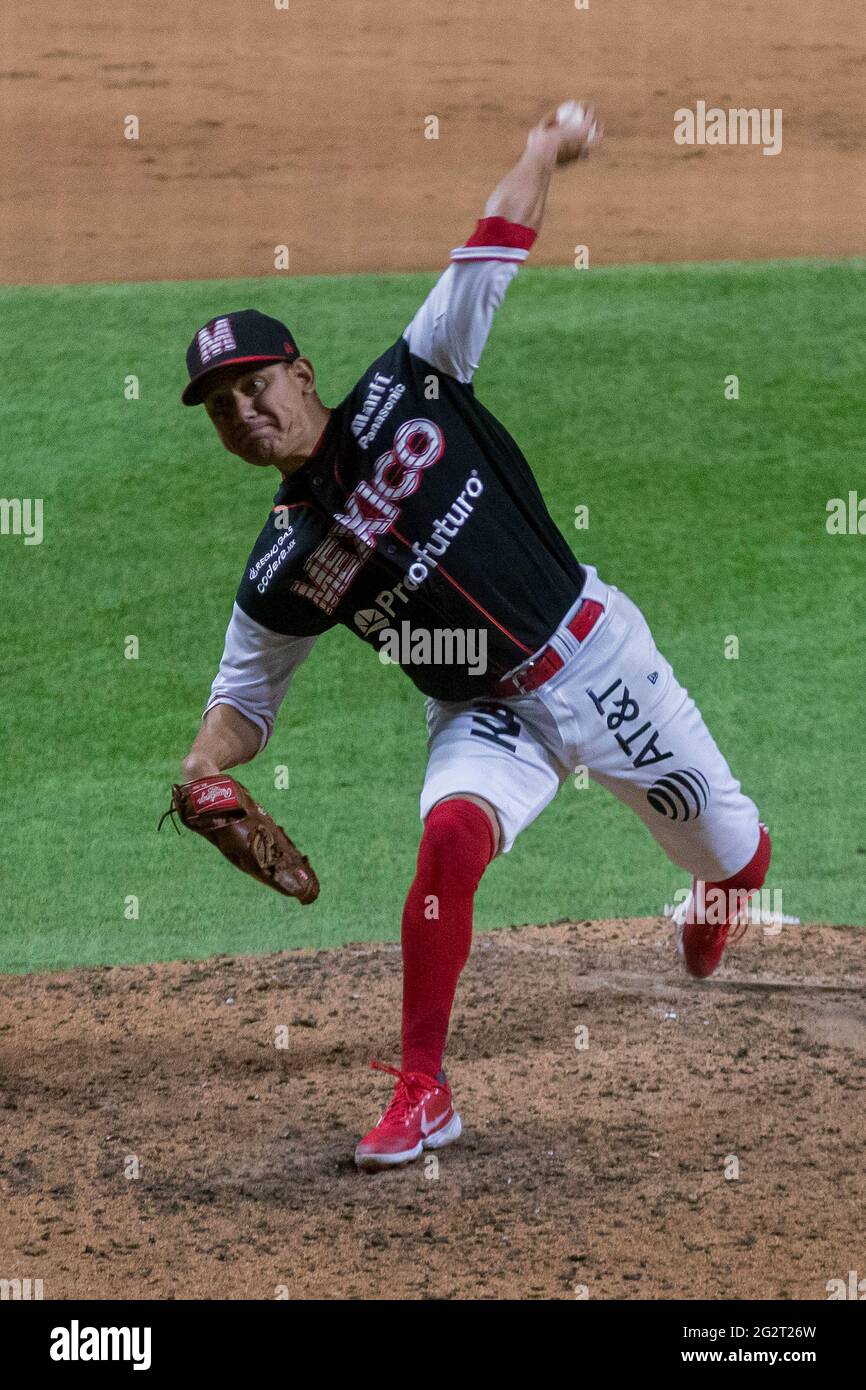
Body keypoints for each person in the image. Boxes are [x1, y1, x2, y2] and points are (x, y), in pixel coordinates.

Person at [177, 103, 771, 1171]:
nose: (244, 415)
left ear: (300, 373)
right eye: (221, 409)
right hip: (481, 710)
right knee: (449, 836)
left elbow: (490, 244)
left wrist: (541, 150)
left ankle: (715, 890)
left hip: (595, 658)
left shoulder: (416, 378)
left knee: (738, 853)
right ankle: (422, 1090)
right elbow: (244, 701)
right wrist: (202, 766)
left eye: (253, 386)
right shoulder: (282, 565)